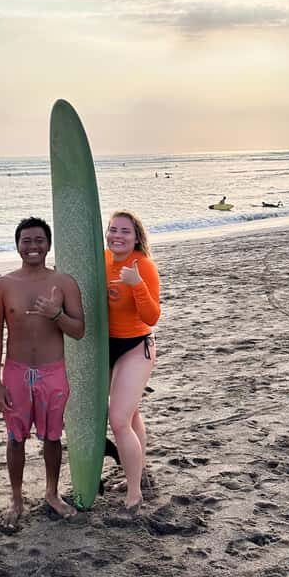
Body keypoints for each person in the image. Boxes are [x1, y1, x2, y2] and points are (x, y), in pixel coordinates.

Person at [0, 217, 85, 527]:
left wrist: (55, 314)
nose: (33, 246)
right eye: (26, 241)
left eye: (39, 240)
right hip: (16, 372)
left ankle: (52, 493)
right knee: (16, 438)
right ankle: (17, 498)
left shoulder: (65, 283)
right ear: (17, 245)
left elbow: (79, 330)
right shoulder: (2, 285)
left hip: (52, 371)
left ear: (48, 244)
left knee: (53, 437)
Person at [105, 209, 161, 513]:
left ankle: (135, 491)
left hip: (136, 346)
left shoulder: (144, 266)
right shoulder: (102, 259)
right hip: (108, 346)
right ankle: (136, 471)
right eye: (113, 229)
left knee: (118, 420)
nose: (117, 236)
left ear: (136, 236)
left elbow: (152, 317)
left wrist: (137, 284)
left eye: (125, 231)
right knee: (132, 415)